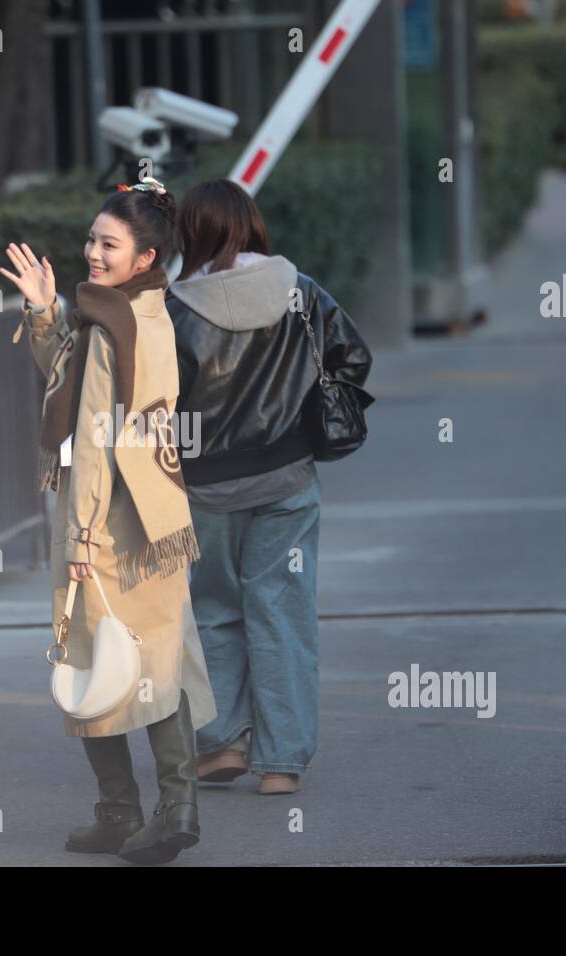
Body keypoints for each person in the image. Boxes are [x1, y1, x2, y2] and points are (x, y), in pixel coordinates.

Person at [0, 178, 217, 865]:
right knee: (160, 659)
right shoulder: (140, 314)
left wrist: (81, 539)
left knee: (92, 657)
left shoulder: (110, 324)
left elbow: (94, 434)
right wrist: (45, 314)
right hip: (159, 516)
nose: (92, 253)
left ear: (145, 256)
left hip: (109, 520)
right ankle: (172, 807)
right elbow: (79, 383)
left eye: (109, 244)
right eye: (92, 239)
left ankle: (123, 811)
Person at [165, 179, 371, 796]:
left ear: (191, 233)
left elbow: (158, 400)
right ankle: (281, 762)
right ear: (251, 224)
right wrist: (307, 412)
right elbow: (352, 358)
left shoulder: (176, 310)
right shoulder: (301, 293)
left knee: (212, 613)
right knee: (283, 612)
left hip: (204, 489)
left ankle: (223, 742)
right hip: (287, 478)